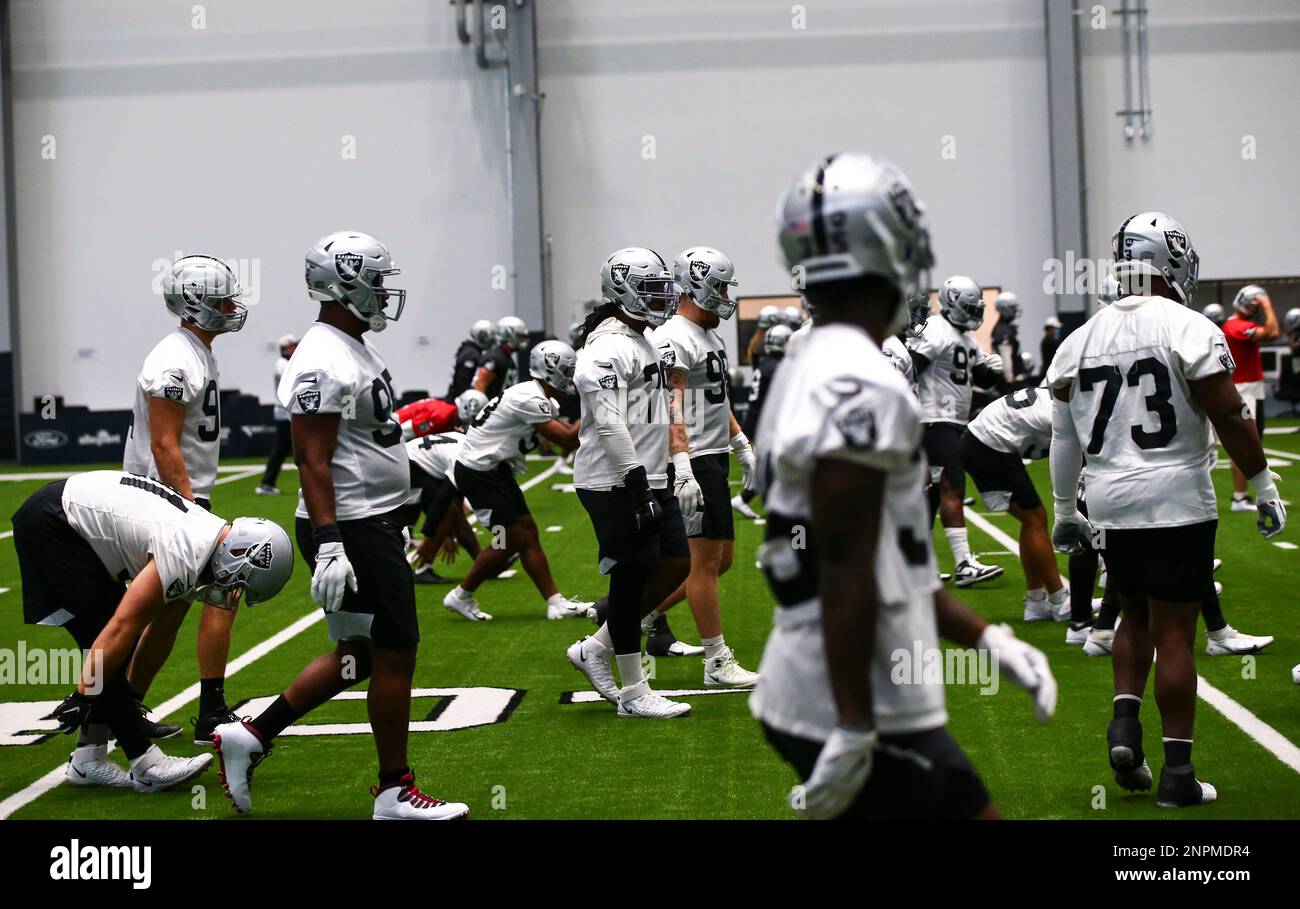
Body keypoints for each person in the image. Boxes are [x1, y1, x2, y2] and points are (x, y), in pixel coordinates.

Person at [752, 152, 1055, 819]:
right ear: (882, 247)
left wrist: (985, 638)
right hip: (853, 692)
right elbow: (845, 561)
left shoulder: (812, 360)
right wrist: (857, 723)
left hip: (837, 676)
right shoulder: (859, 379)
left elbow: (885, 558)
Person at [213, 230, 468, 820]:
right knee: (396, 651)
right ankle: (394, 790)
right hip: (351, 528)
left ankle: (253, 734)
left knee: (360, 652)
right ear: (344, 284)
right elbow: (312, 459)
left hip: (368, 521)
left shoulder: (350, 344)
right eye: (375, 283)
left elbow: (363, 435)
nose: (384, 295)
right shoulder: (323, 357)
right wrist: (331, 544)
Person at [1048, 211, 1285, 808]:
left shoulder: (1080, 338)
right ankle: (1178, 774)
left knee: (1131, 617)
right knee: (1176, 634)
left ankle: (1125, 723)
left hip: (1106, 496)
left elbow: (1063, 438)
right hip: (1175, 493)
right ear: (1171, 259)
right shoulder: (1186, 326)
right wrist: (1262, 487)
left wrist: (1063, 508)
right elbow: (1230, 415)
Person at [15, 470, 291, 793]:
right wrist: (83, 693)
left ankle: (88, 756)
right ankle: (146, 763)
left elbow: (157, 632)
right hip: (55, 525)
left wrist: (123, 701)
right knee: (106, 638)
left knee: (113, 646)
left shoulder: (205, 539)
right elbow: (121, 627)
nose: (232, 593)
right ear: (239, 556)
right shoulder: (186, 550)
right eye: (240, 584)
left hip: (66, 519)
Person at [123, 254, 250, 744]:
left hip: (180, 499)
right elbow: (163, 443)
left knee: (171, 609)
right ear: (196, 304)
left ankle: (129, 707)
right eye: (223, 298)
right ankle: (206, 711)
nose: (233, 305)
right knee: (222, 588)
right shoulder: (174, 356)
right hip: (165, 501)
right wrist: (189, 508)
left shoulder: (196, 349)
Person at [564, 247, 695, 718]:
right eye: (652, 289)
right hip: (614, 480)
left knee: (678, 561)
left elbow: (656, 412)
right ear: (622, 292)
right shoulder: (607, 347)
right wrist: (638, 485)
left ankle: (595, 647)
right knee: (629, 578)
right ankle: (634, 693)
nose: (663, 297)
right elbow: (609, 424)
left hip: (649, 474)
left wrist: (678, 464)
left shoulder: (643, 340)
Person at [635, 247, 759, 687]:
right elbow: (671, 407)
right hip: (692, 459)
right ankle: (716, 660)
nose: (726, 295)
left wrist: (740, 440)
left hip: (712, 455)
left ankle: (643, 614)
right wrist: (682, 465)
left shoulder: (710, 336)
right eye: (721, 286)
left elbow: (716, 397)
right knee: (703, 563)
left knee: (721, 560)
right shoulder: (674, 336)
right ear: (700, 285)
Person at [442, 340, 592, 621]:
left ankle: (555, 601)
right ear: (551, 368)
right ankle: (460, 595)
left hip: (493, 470)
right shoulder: (529, 398)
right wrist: (599, 401)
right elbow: (567, 439)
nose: (571, 375)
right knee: (507, 540)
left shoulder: (534, 394)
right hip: (479, 473)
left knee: (528, 531)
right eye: (567, 368)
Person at [906, 275, 1006, 586]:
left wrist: (991, 370)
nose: (975, 313)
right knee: (953, 486)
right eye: (969, 307)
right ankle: (964, 564)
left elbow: (982, 379)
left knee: (933, 495)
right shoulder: (937, 329)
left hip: (950, 421)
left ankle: (918, 566)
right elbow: (911, 366)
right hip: (935, 419)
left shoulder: (965, 337)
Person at [960, 386, 1072, 631]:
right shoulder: (1058, 414)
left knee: (1033, 519)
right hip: (988, 446)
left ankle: (1036, 601)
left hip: (985, 442)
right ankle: (1059, 599)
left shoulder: (1050, 396)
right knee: (1035, 519)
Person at [1221, 285, 1279, 511]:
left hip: (1253, 388)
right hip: (1244, 389)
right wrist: (1266, 305)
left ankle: (1247, 495)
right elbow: (1273, 333)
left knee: (1254, 441)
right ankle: (1239, 497)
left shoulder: (1239, 324)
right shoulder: (1235, 326)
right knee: (1242, 442)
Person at [733, 323, 791, 518]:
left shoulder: (765, 362)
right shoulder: (776, 367)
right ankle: (754, 501)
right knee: (773, 466)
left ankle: (746, 499)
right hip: (766, 422)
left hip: (758, 418)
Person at [256, 334, 299, 496]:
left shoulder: (285, 363)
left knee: (280, 450)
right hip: (285, 413)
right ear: (285, 348)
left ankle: (267, 483)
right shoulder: (282, 364)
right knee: (300, 449)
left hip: (286, 412)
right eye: (293, 345)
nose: (296, 348)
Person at [395, 388, 487, 442]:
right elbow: (402, 434)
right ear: (467, 408)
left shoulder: (450, 419)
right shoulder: (440, 416)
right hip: (391, 430)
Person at [473, 315, 528, 398]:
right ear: (508, 334)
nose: (523, 340)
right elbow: (480, 385)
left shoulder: (506, 357)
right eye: (520, 336)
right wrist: (484, 409)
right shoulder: (495, 358)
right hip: (490, 409)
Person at [444, 320, 496, 401]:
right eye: (485, 336)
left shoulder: (471, 351)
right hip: (459, 400)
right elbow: (463, 382)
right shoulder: (471, 354)